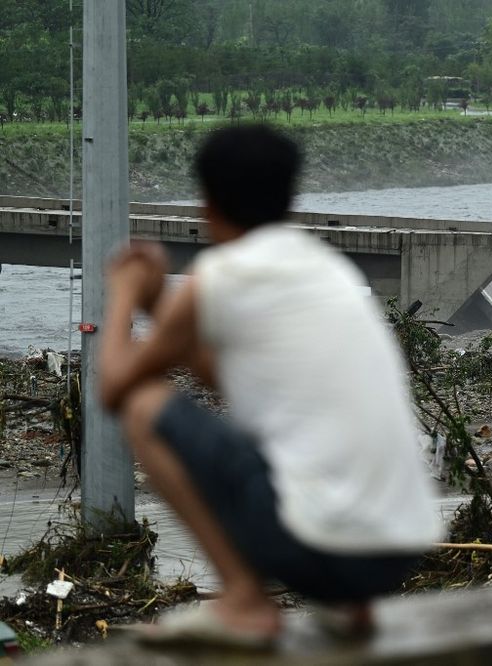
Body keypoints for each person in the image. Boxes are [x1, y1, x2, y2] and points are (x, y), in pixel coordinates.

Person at [99, 125, 442, 648]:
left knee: (145, 407)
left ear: (208, 206)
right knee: (304, 433)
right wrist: (156, 308)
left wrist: (124, 295)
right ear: (290, 197)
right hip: (399, 552)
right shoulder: (326, 269)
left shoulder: (220, 275)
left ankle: (243, 601)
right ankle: (352, 608)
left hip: (317, 551)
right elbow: (220, 376)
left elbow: (113, 389)